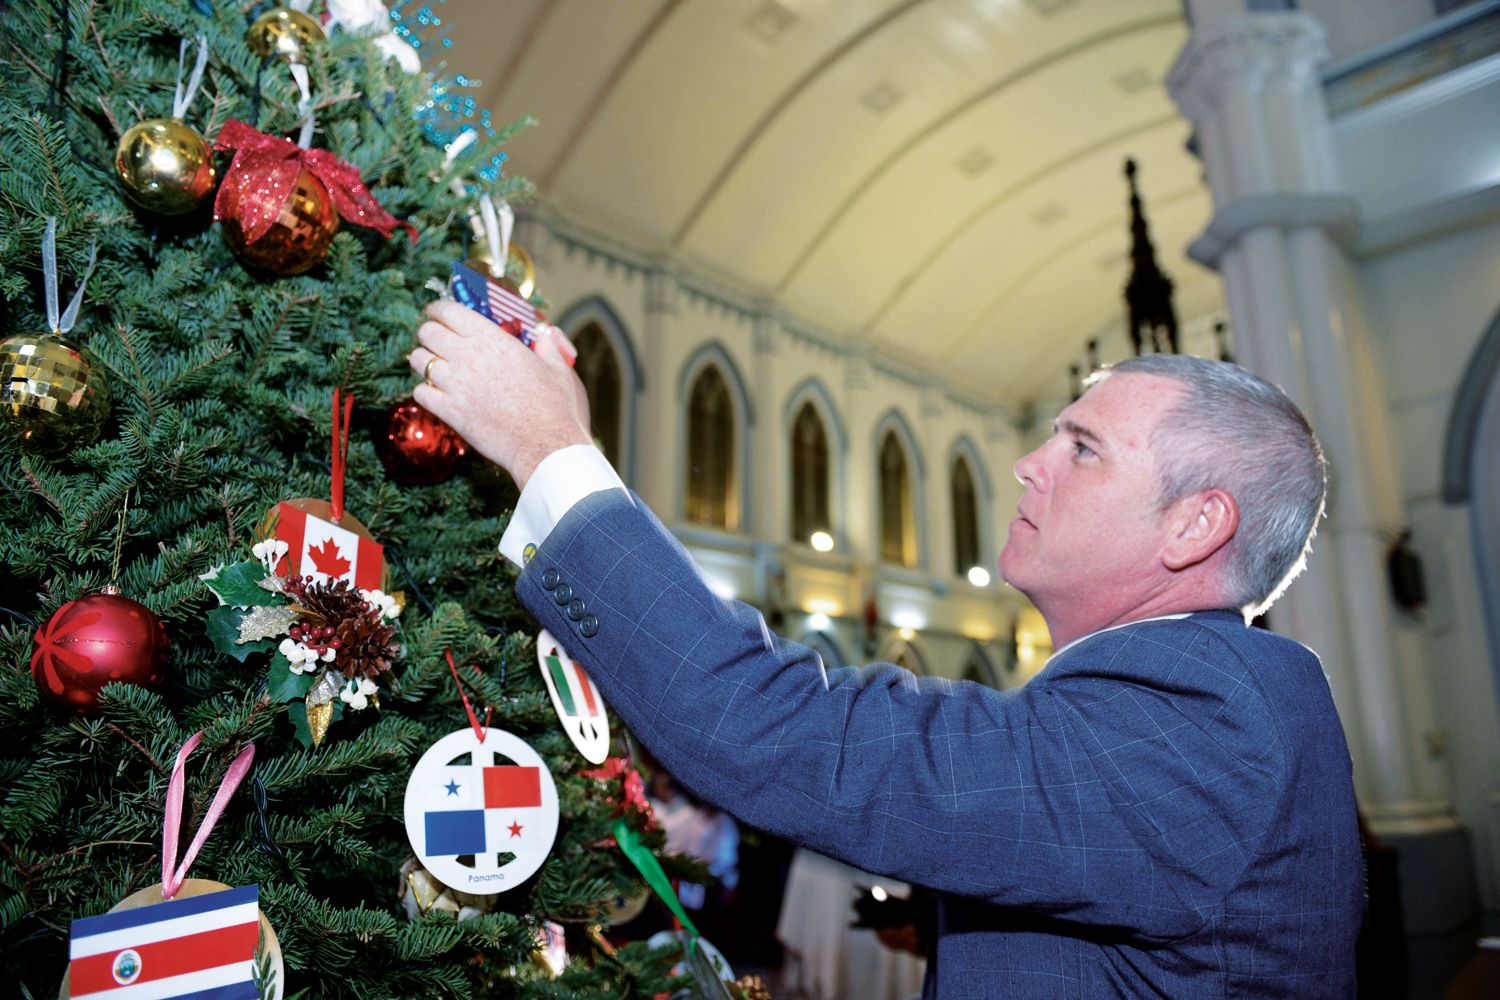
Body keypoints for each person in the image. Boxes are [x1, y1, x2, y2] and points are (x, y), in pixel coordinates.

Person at [409, 300, 1364, 998]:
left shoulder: (1207, 719)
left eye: (1082, 449)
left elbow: (782, 727)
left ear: (1196, 524)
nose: (1031, 463)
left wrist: (551, 452)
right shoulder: (1180, 701)